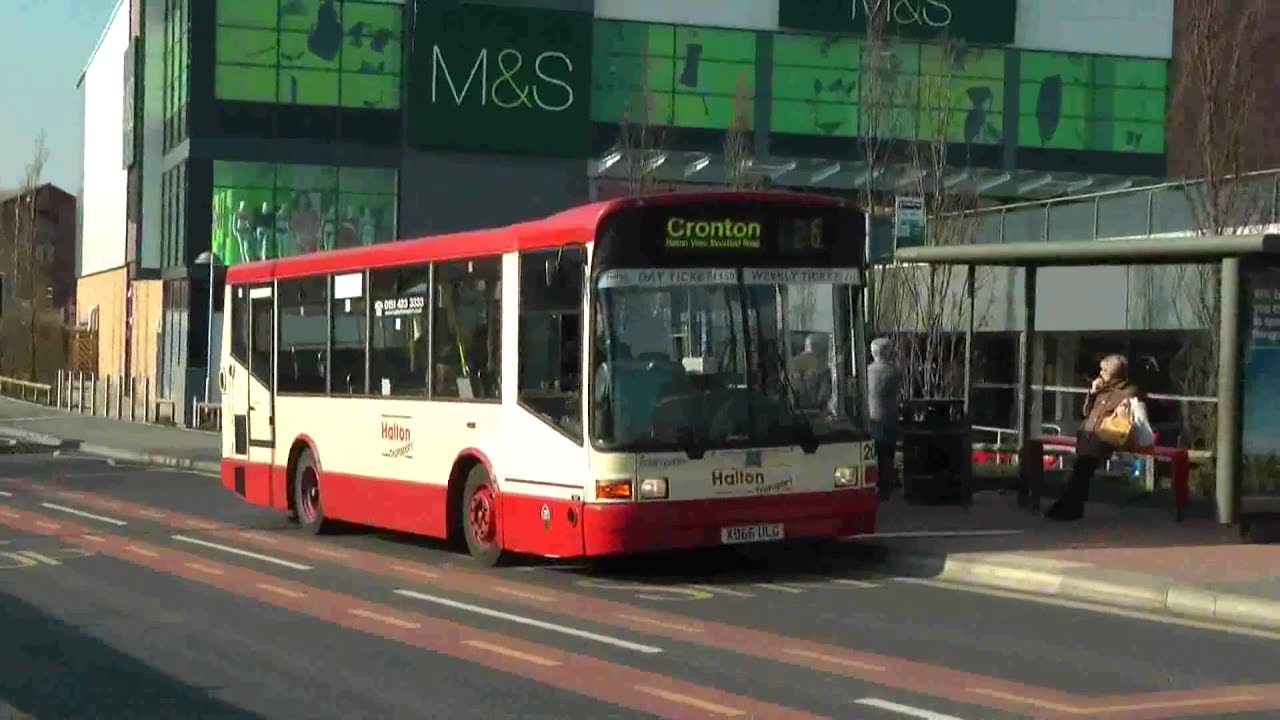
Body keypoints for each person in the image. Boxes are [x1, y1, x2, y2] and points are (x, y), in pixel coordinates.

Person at [1045, 353, 1141, 521]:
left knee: (1081, 470)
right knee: (1080, 471)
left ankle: (1069, 507)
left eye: (1105, 370)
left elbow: (1130, 414)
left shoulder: (1126, 392)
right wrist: (1092, 392)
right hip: (1089, 436)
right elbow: (1086, 412)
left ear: (1115, 374)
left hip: (1105, 438)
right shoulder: (1103, 389)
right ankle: (1071, 506)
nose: (1101, 374)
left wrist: (1124, 409)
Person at [867, 337, 901, 499]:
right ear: (888, 352)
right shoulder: (893, 372)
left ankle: (872, 485)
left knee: (872, 455)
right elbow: (897, 395)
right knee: (887, 455)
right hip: (889, 418)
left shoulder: (866, 371)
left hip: (871, 418)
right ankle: (885, 488)